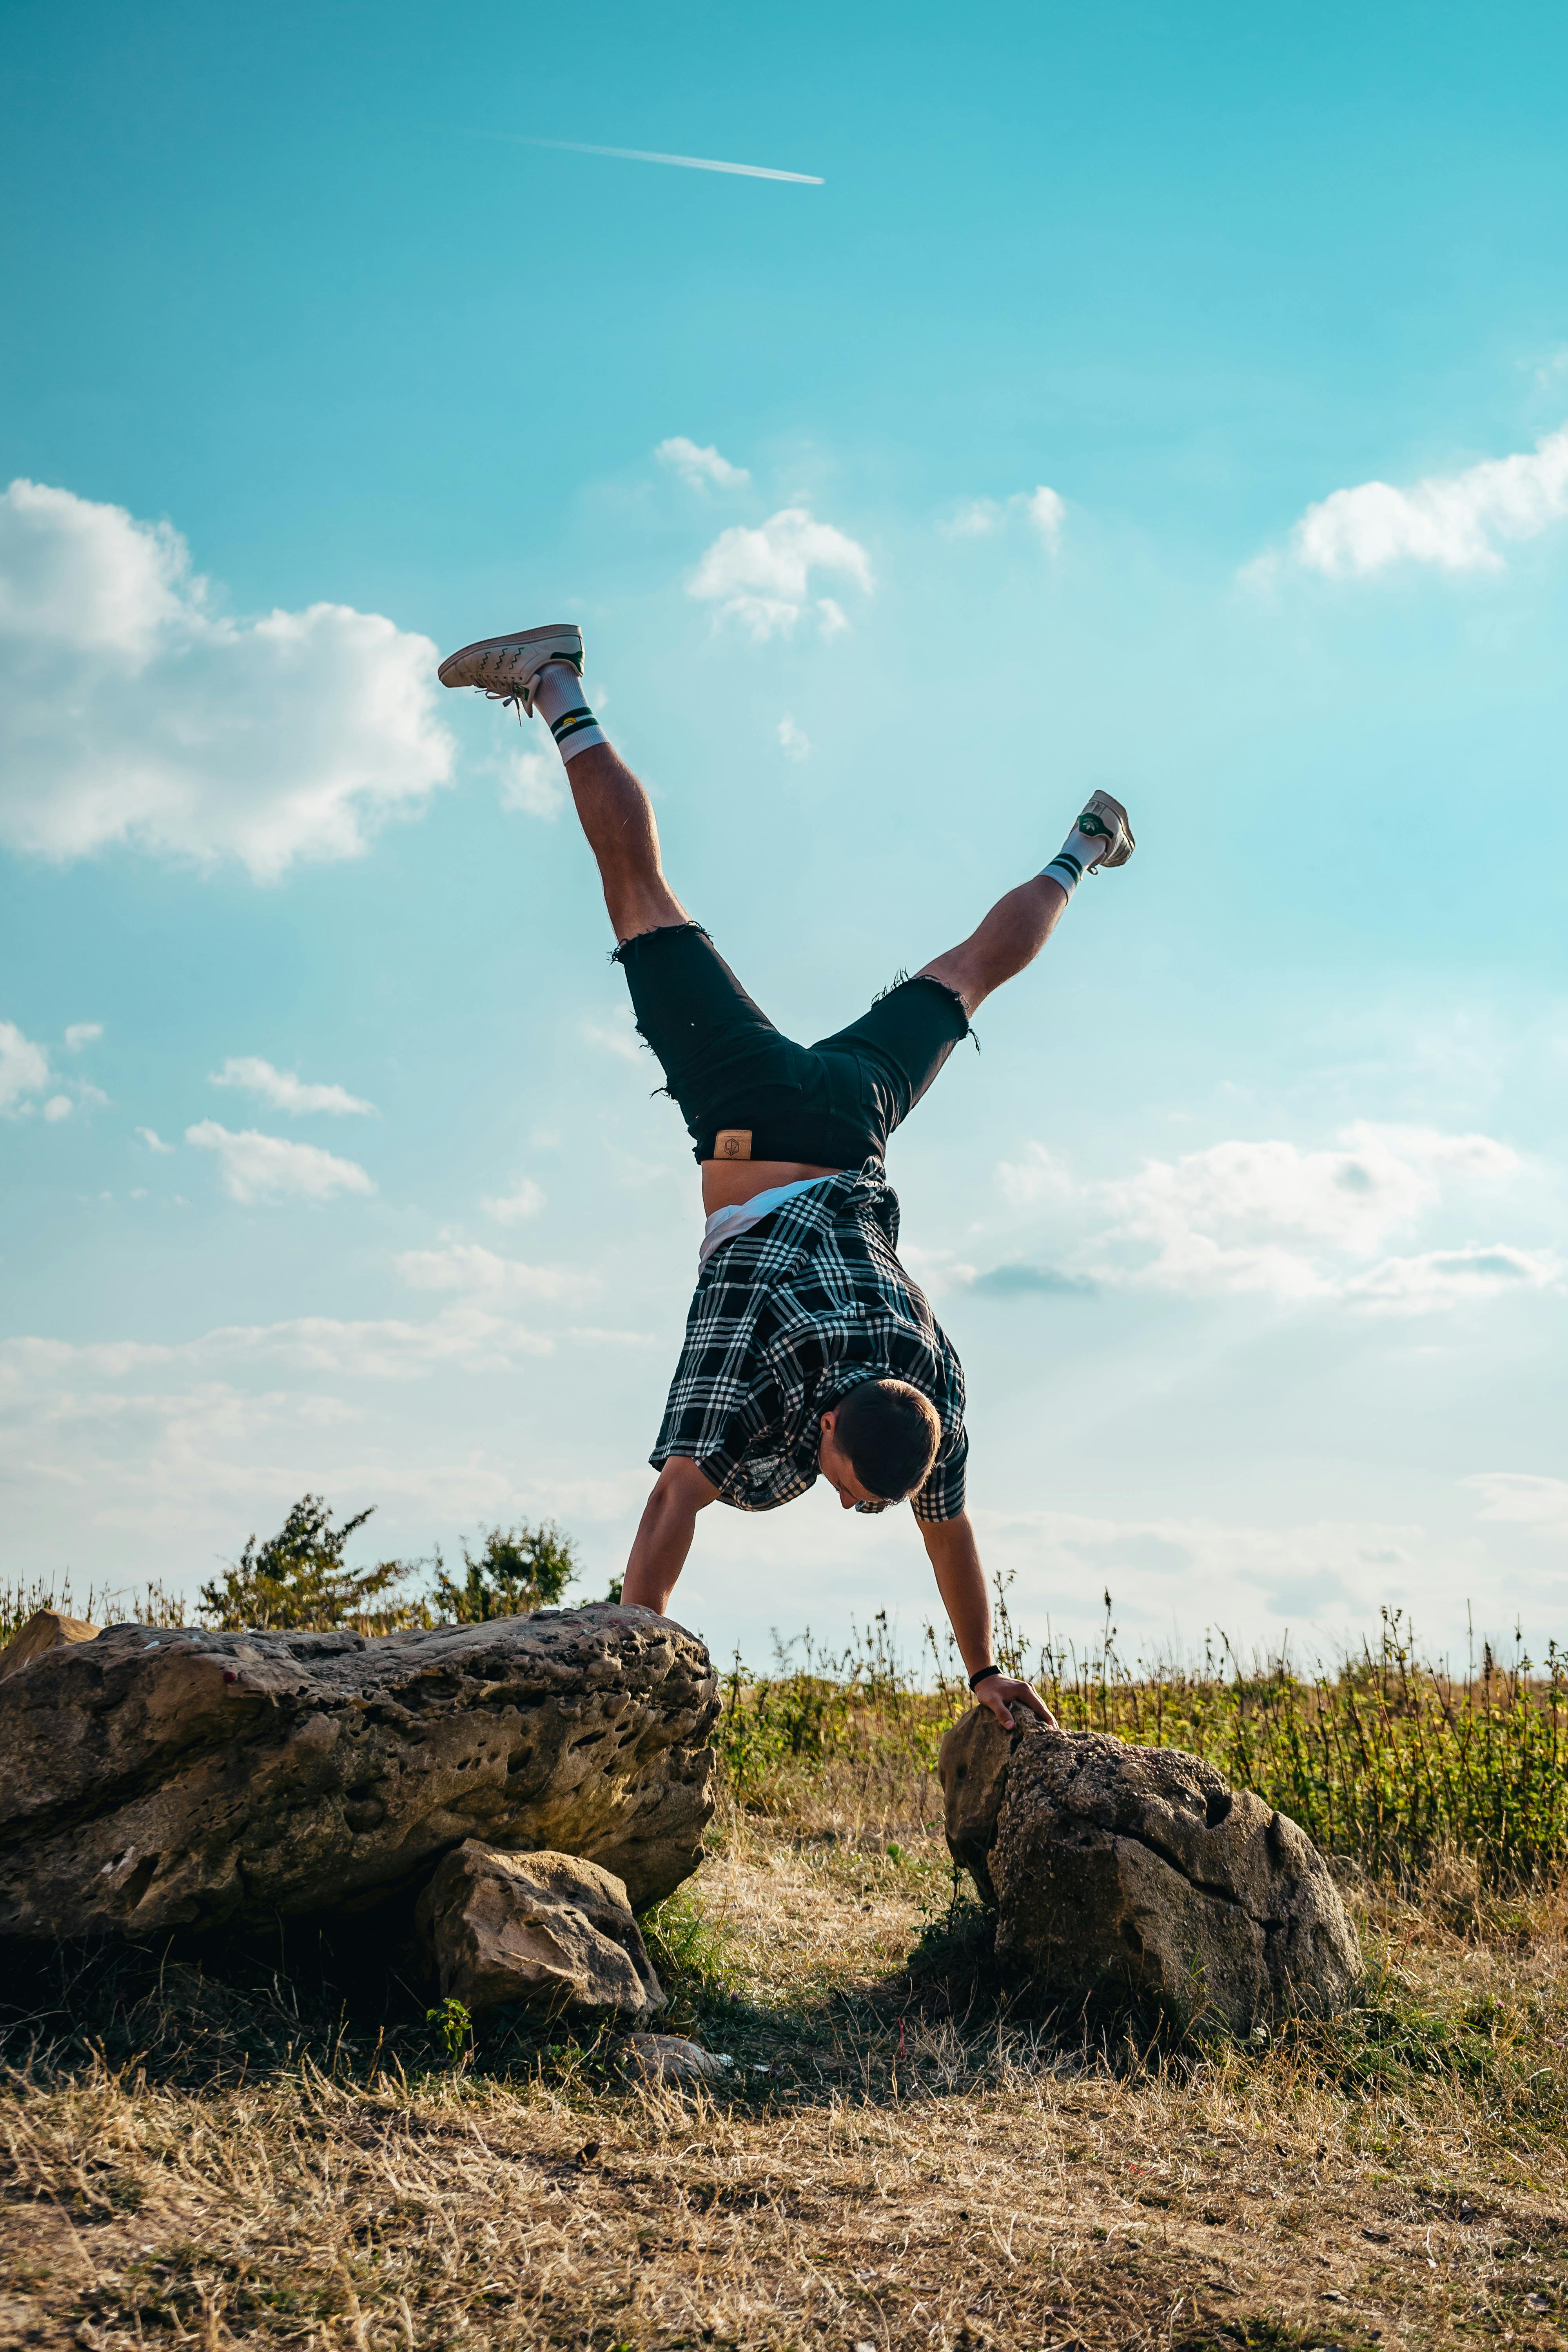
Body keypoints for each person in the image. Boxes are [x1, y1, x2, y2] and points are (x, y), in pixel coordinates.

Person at [439, 623, 1134, 1727]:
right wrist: (634, 1651)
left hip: (854, 1124)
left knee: (965, 978)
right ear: (824, 1431)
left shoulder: (934, 1386)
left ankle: (1087, 845)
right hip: (751, 1116)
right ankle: (555, 678)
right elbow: (678, 1497)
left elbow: (947, 1529)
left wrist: (984, 1672)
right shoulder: (764, 1339)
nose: (855, 1511)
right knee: (639, 895)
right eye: (857, 1500)